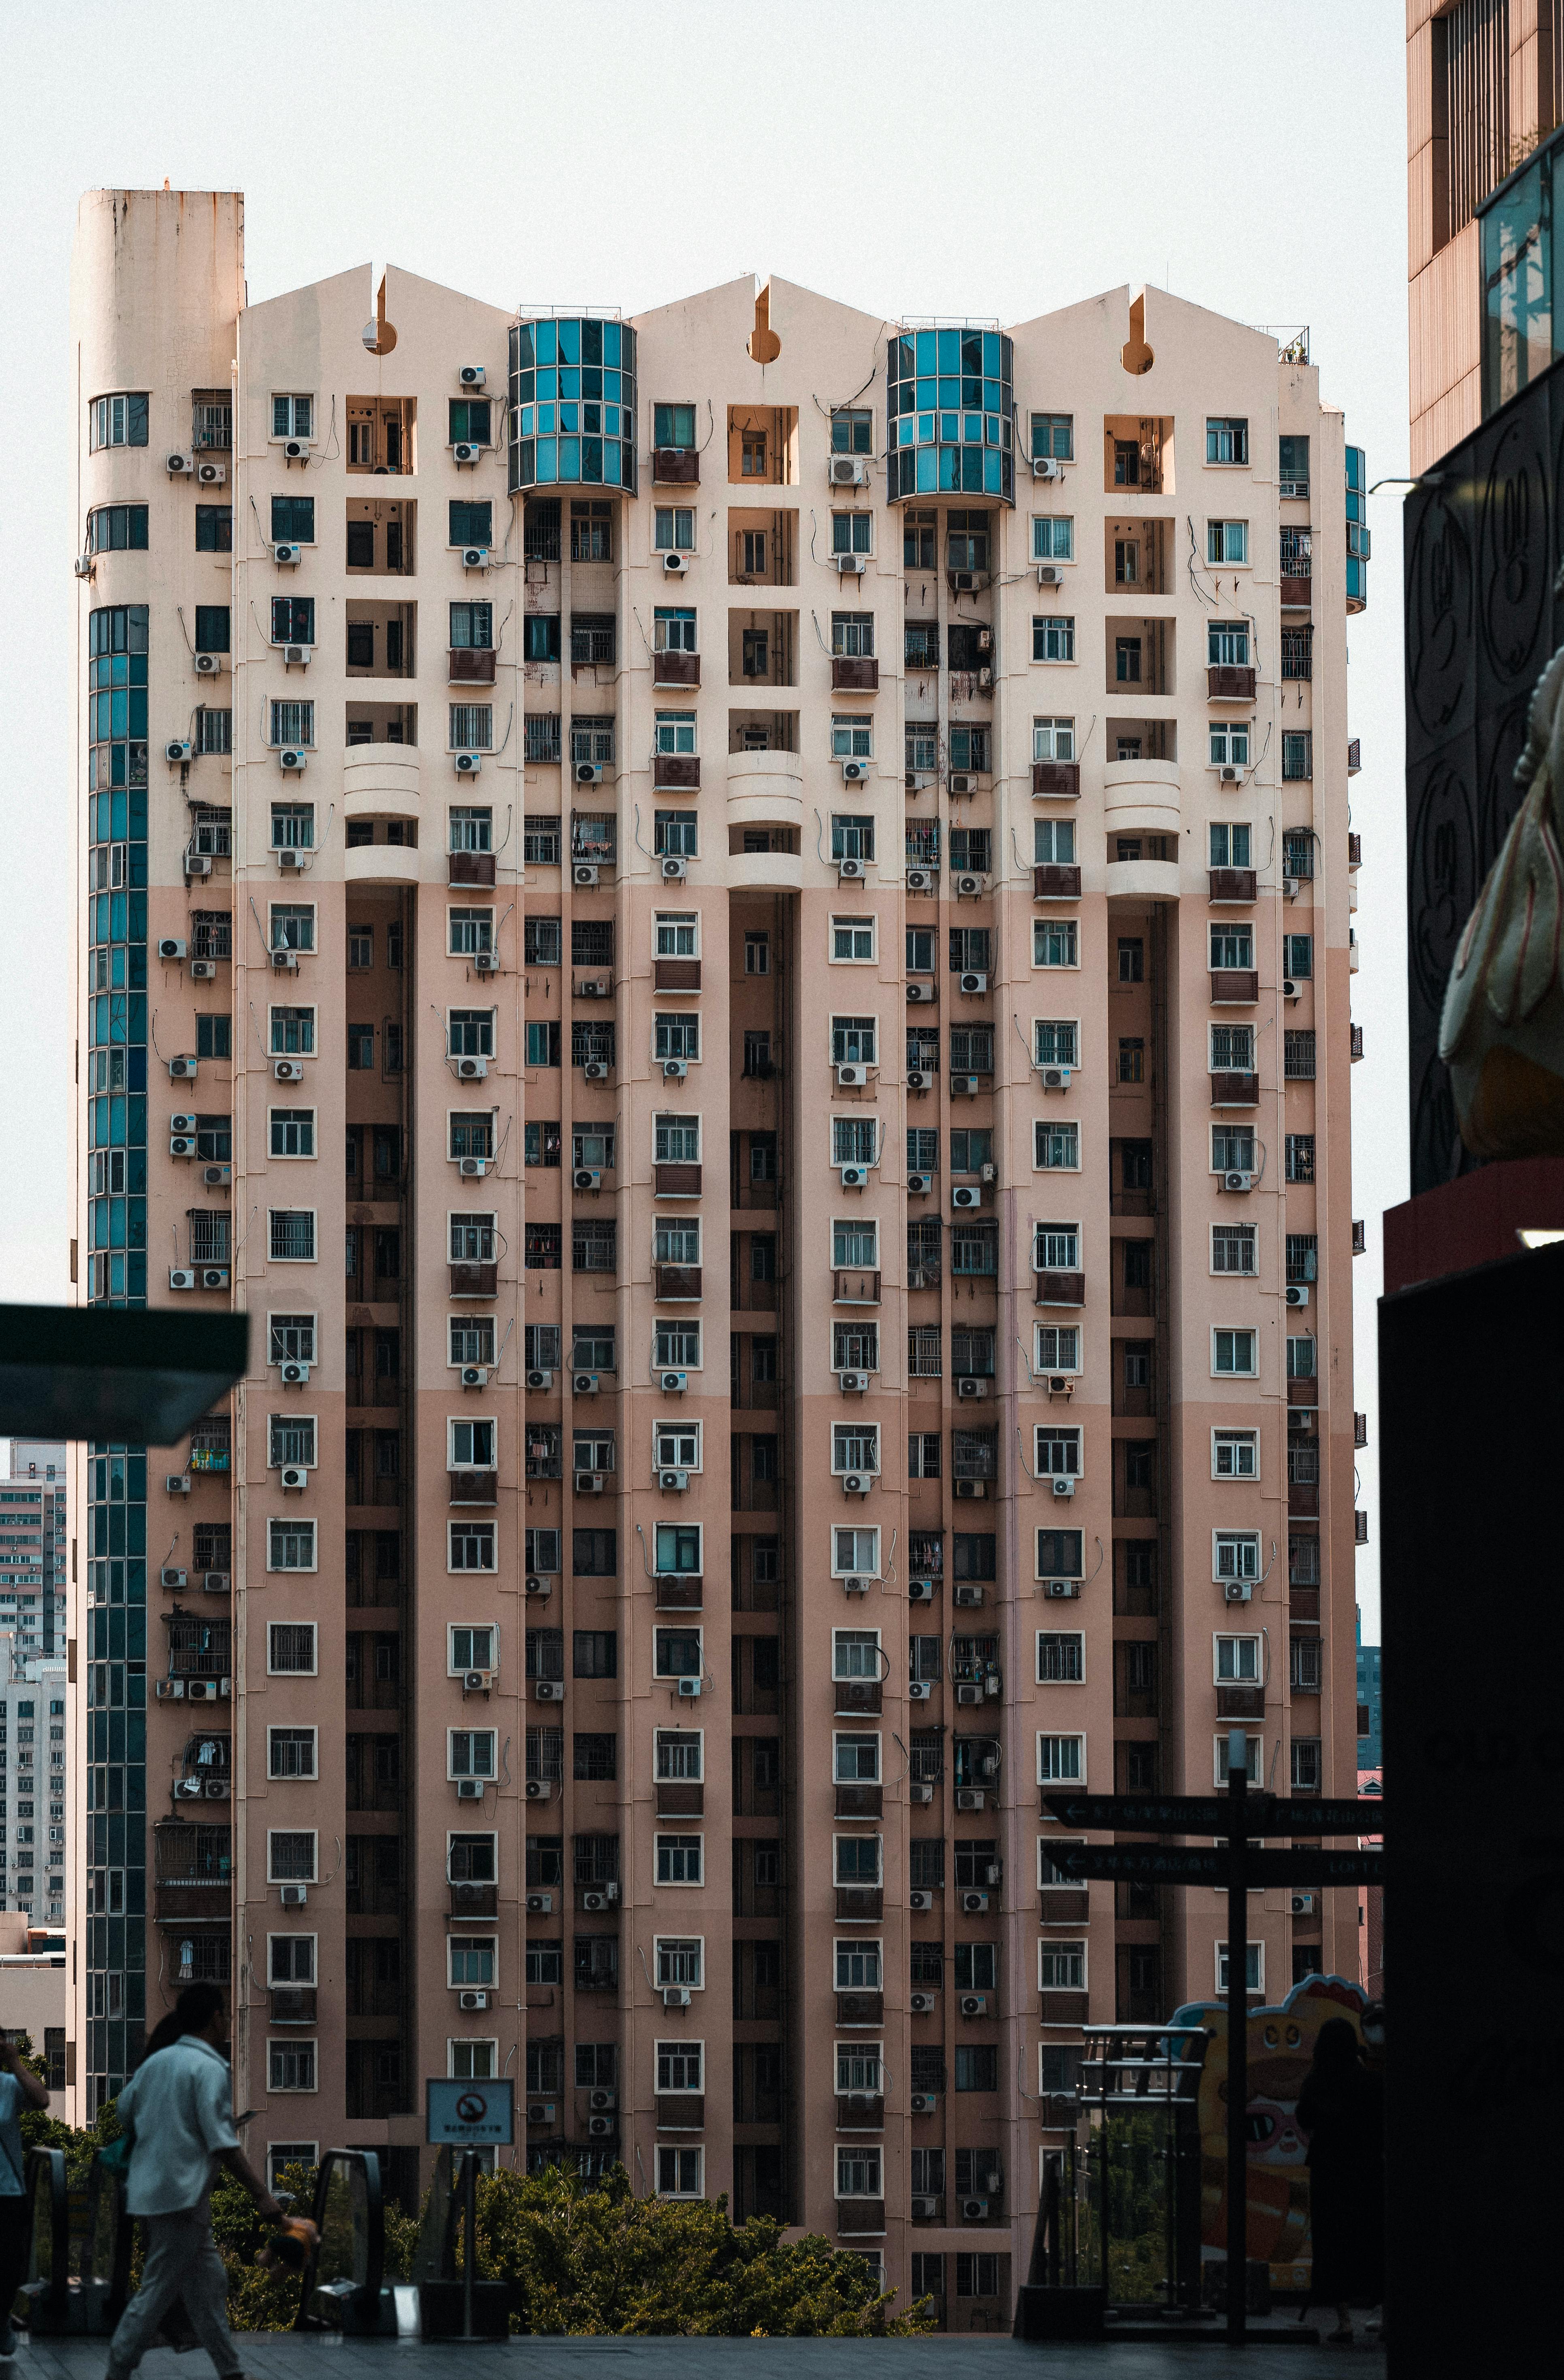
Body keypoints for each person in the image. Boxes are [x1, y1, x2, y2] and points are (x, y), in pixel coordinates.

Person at [104, 1983, 283, 2380]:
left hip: (157, 2192)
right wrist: (262, 2195)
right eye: (224, 2014)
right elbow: (223, 2143)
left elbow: (124, 2111)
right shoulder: (209, 2068)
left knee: (208, 2288)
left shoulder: (157, 2063)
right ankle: (117, 2368)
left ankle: (231, 2371)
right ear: (216, 2017)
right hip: (182, 2196)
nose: (226, 2022)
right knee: (155, 2293)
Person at [1297, 2015, 1385, 2345]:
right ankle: (1385, 2314)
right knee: (1372, 2241)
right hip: (1367, 2171)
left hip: (1330, 2171)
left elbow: (1305, 2117)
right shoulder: (1372, 2083)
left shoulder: (1318, 2081)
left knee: (1333, 2243)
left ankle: (1344, 2322)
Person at [0, 2030, 51, 2361]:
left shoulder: (7, 2086)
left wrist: (15, 2062)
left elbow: (42, 2101)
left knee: (8, 2265)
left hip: (8, 2190)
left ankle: (1, 2319)